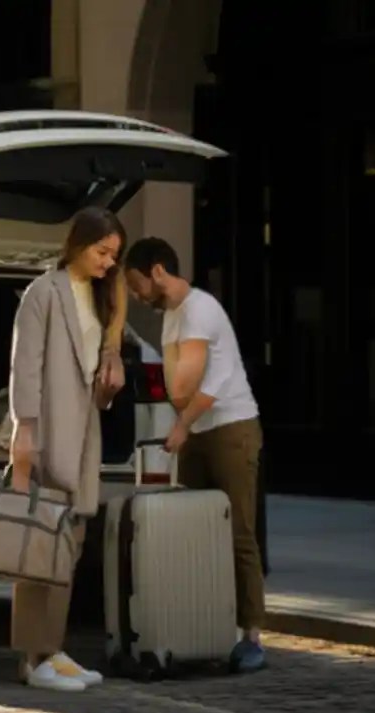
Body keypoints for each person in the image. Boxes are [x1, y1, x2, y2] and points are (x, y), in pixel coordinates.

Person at [121, 235, 267, 672]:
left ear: (158, 272)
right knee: (196, 532)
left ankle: (252, 635)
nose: (134, 294)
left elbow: (213, 383)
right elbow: (177, 385)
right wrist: (183, 424)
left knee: (238, 531)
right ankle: (202, 629)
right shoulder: (171, 317)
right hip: (199, 430)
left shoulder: (201, 309)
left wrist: (181, 426)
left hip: (231, 429)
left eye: (136, 284)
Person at [8, 206, 128, 691]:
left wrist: (111, 376)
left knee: (70, 545)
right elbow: (25, 367)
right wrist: (25, 431)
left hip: (83, 435)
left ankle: (52, 651)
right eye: (103, 252)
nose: (108, 263)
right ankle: (32, 659)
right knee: (39, 546)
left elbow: (90, 379)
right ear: (78, 244)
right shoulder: (44, 293)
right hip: (47, 431)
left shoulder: (101, 297)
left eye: (115, 256)